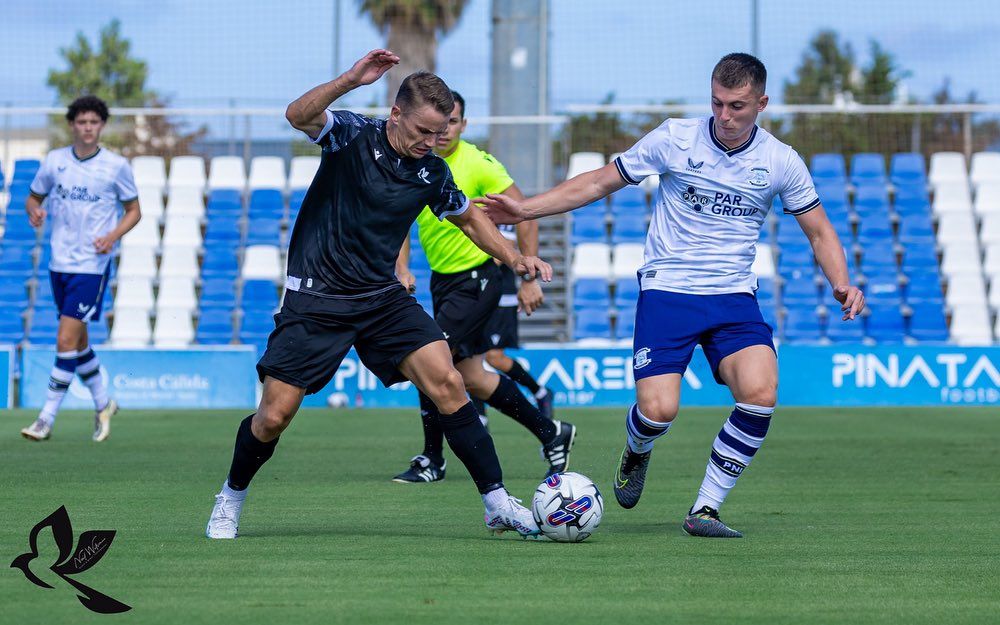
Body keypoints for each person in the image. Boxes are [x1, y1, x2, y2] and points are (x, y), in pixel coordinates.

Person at [477, 53, 865, 538]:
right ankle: (637, 449)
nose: (724, 115)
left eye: (738, 106)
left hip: (732, 298)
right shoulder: (674, 138)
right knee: (659, 411)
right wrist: (524, 208)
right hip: (668, 291)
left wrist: (841, 281)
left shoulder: (781, 161)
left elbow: (820, 232)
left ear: (762, 103)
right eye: (717, 103)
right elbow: (599, 181)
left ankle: (705, 509)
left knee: (761, 393)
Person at [205, 49, 552, 540]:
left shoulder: (432, 170)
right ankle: (231, 496)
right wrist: (350, 79)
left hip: (381, 298)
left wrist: (514, 259)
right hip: (317, 298)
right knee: (273, 416)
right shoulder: (351, 134)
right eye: (423, 132)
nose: (433, 142)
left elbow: (470, 217)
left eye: (442, 131)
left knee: (449, 383)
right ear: (396, 115)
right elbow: (297, 115)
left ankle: (496, 503)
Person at [391, 90, 573, 484]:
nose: (442, 133)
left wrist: (526, 277)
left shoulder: (477, 163)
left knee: (429, 356)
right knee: (472, 375)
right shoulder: (419, 162)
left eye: (452, 124)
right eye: (438, 125)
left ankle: (432, 460)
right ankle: (551, 431)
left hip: (477, 279)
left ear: (463, 125)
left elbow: (525, 213)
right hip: (444, 281)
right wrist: (402, 265)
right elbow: (401, 220)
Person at [20, 95, 141, 443]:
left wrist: (112, 236)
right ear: (72, 125)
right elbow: (33, 197)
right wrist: (34, 211)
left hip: (92, 265)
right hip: (59, 261)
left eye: (94, 122)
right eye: (82, 122)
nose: (88, 128)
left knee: (64, 338)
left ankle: (45, 418)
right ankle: (104, 403)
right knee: (78, 341)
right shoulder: (54, 161)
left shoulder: (116, 166)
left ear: (101, 126)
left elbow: (134, 211)